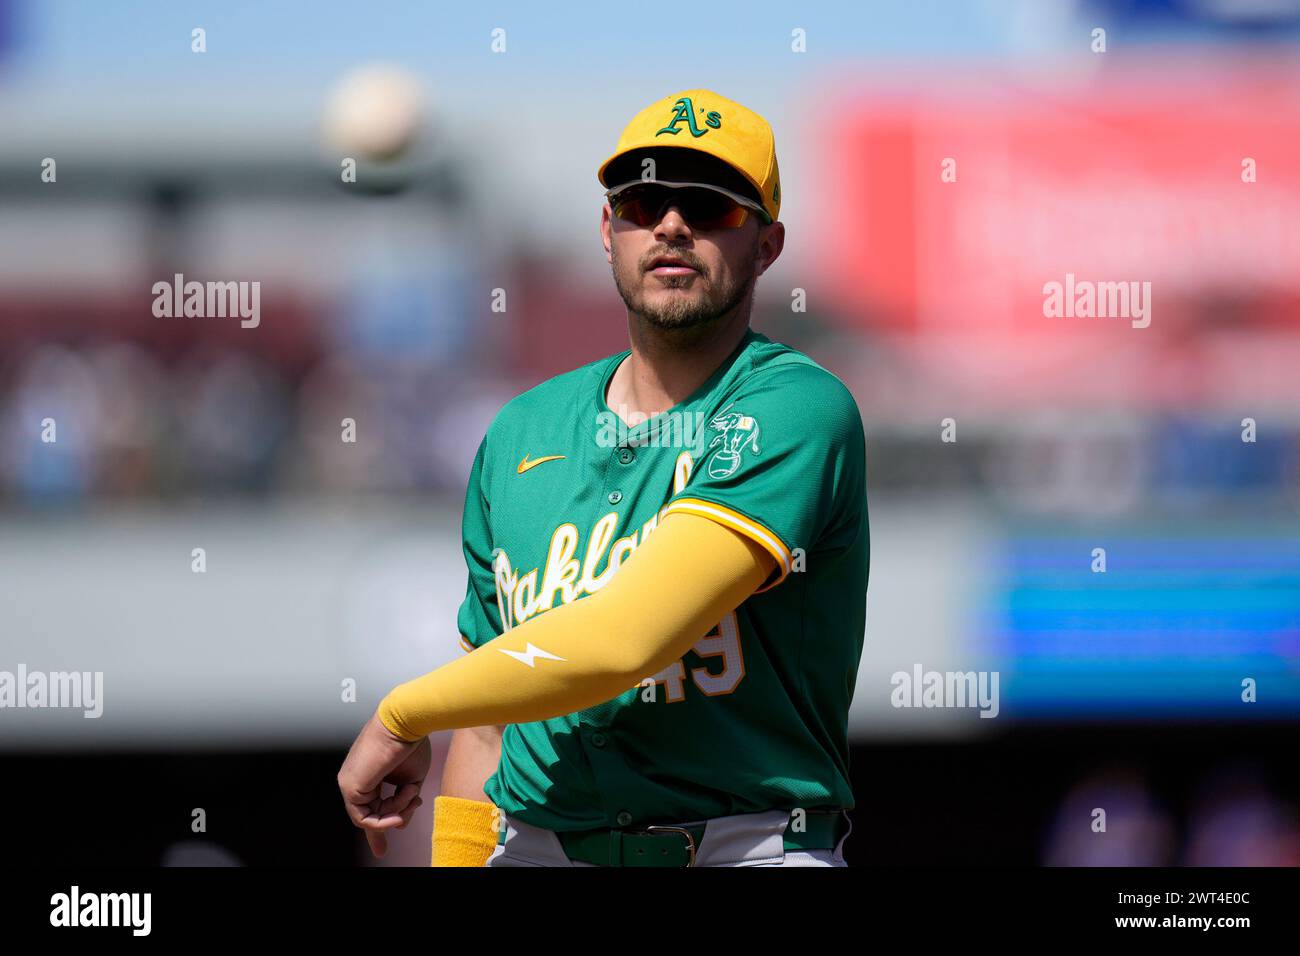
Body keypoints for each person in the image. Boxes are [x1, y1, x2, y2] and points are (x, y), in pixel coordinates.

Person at [337, 89, 870, 867]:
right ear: (607, 229)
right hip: (537, 847)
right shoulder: (521, 432)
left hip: (743, 847)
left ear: (767, 245)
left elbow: (629, 639)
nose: (672, 224)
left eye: (710, 205)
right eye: (643, 200)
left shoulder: (795, 406)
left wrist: (398, 716)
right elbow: (488, 725)